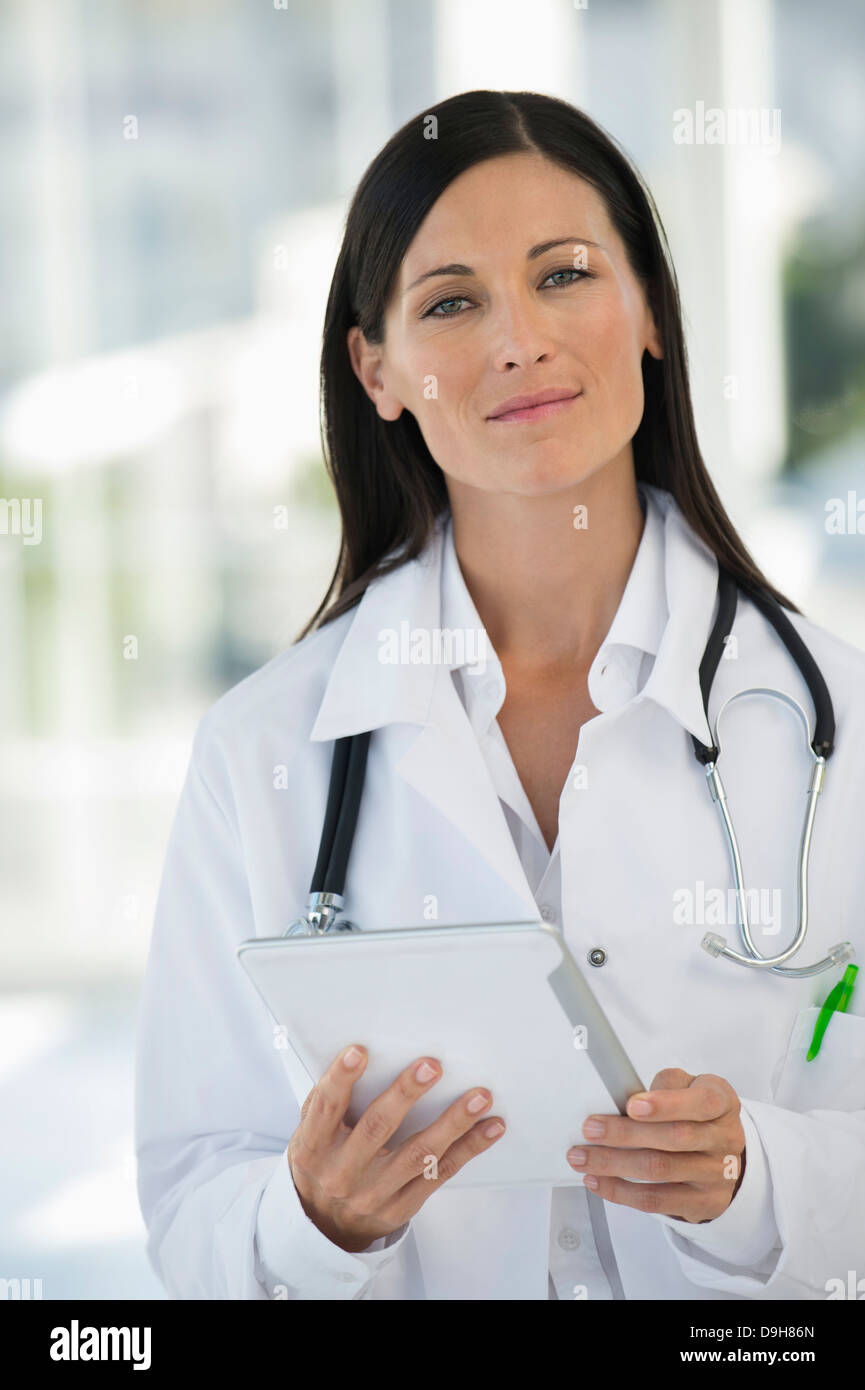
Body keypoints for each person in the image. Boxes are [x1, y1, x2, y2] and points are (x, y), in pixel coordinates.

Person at [134, 89, 865, 1300]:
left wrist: (758, 1181)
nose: (519, 339)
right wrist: (310, 1218)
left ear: (646, 312)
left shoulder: (836, 718)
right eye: (452, 302)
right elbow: (192, 1202)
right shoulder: (263, 752)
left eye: (565, 274)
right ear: (377, 370)